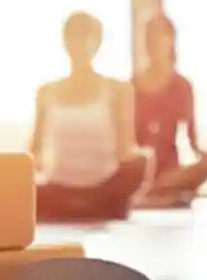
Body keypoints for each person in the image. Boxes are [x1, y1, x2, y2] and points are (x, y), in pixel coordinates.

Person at [31, 12, 147, 220]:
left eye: (87, 37)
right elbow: (35, 150)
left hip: (103, 189)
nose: (80, 44)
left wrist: (142, 159)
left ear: (98, 43)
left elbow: (124, 149)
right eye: (74, 37)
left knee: (139, 165)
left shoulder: (118, 90)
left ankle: (86, 205)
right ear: (65, 42)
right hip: (58, 190)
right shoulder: (46, 92)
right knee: (34, 194)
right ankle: (75, 206)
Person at [132, 13, 207, 208]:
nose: (153, 44)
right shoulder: (131, 86)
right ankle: (154, 194)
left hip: (170, 171)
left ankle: (158, 193)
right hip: (138, 169)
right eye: (149, 39)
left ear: (170, 41)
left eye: (159, 38)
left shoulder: (182, 86)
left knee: (206, 167)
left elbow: (192, 141)